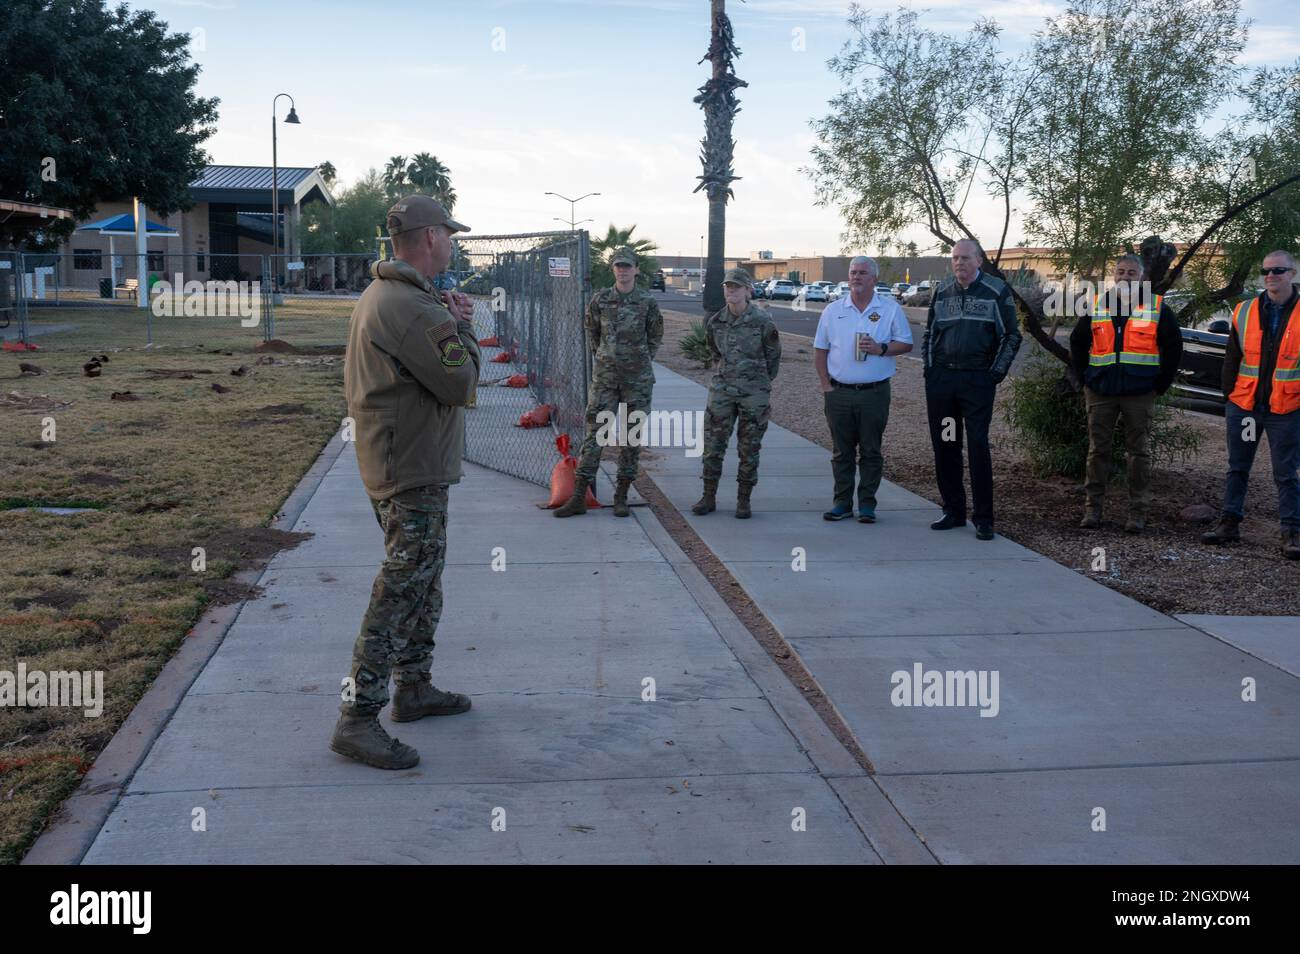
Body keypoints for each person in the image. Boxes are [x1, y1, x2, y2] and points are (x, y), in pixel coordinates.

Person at [331, 195, 482, 769]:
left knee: (421, 580)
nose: (454, 241)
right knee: (400, 588)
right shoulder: (417, 308)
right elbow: (461, 384)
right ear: (428, 238)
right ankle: (357, 717)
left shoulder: (392, 295)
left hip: (402, 462)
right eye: (449, 232)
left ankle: (413, 687)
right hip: (410, 469)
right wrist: (462, 327)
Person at [1068, 253, 1183, 532]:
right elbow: (1077, 341)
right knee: (1098, 452)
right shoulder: (1097, 304)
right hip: (1101, 390)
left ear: (1142, 277)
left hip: (1140, 392)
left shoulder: (1156, 307)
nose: (1124, 277)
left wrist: (1160, 385)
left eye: (1131, 273)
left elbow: (1174, 348)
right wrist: (1085, 378)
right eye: (1120, 272)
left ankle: (1137, 514)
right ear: (1114, 275)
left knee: (1138, 454)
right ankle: (1093, 511)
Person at [1201, 250, 1300, 559]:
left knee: (1285, 472)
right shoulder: (1244, 310)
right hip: (1245, 408)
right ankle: (1228, 524)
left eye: (1278, 270)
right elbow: (1232, 356)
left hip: (1286, 409)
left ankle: (1292, 533)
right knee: (1238, 466)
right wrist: (1230, 395)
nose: (1271, 275)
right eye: (1266, 270)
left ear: (1292, 274)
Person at [922, 238, 1022, 540]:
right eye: (955, 258)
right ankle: (953, 510)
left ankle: (983, 518)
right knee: (946, 444)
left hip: (976, 383)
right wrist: (930, 370)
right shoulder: (942, 291)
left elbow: (1012, 336)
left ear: (979, 260)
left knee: (977, 446)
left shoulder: (995, 291)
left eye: (965, 258)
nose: (959, 263)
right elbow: (930, 332)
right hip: (943, 383)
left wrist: (993, 374)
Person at [555, 246, 664, 518]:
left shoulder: (647, 302)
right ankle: (580, 496)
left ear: (636, 270)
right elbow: (592, 331)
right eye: (618, 265)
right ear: (612, 269)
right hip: (605, 379)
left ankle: (622, 496)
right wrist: (605, 357)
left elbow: (654, 337)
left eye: (627, 266)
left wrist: (637, 361)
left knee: (630, 437)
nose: (623, 270)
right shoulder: (600, 299)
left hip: (637, 381)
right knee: (596, 435)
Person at [813, 256, 913, 522]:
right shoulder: (833, 310)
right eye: (853, 272)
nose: (856, 277)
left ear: (874, 279)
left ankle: (867, 504)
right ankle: (842, 503)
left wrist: (881, 349)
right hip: (839, 392)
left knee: (871, 450)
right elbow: (820, 350)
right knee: (841, 451)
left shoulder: (890, 309)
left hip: (874, 393)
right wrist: (826, 385)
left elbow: (906, 344)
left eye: (862, 273)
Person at [692, 267, 781, 518]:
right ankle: (708, 496)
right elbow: (714, 351)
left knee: (749, 447)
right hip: (722, 390)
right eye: (727, 286)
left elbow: (773, 356)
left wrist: (758, 381)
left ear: (747, 290)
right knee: (713, 445)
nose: (731, 290)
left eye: (736, 287)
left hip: (754, 392)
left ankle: (744, 500)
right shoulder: (716, 321)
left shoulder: (762, 321)